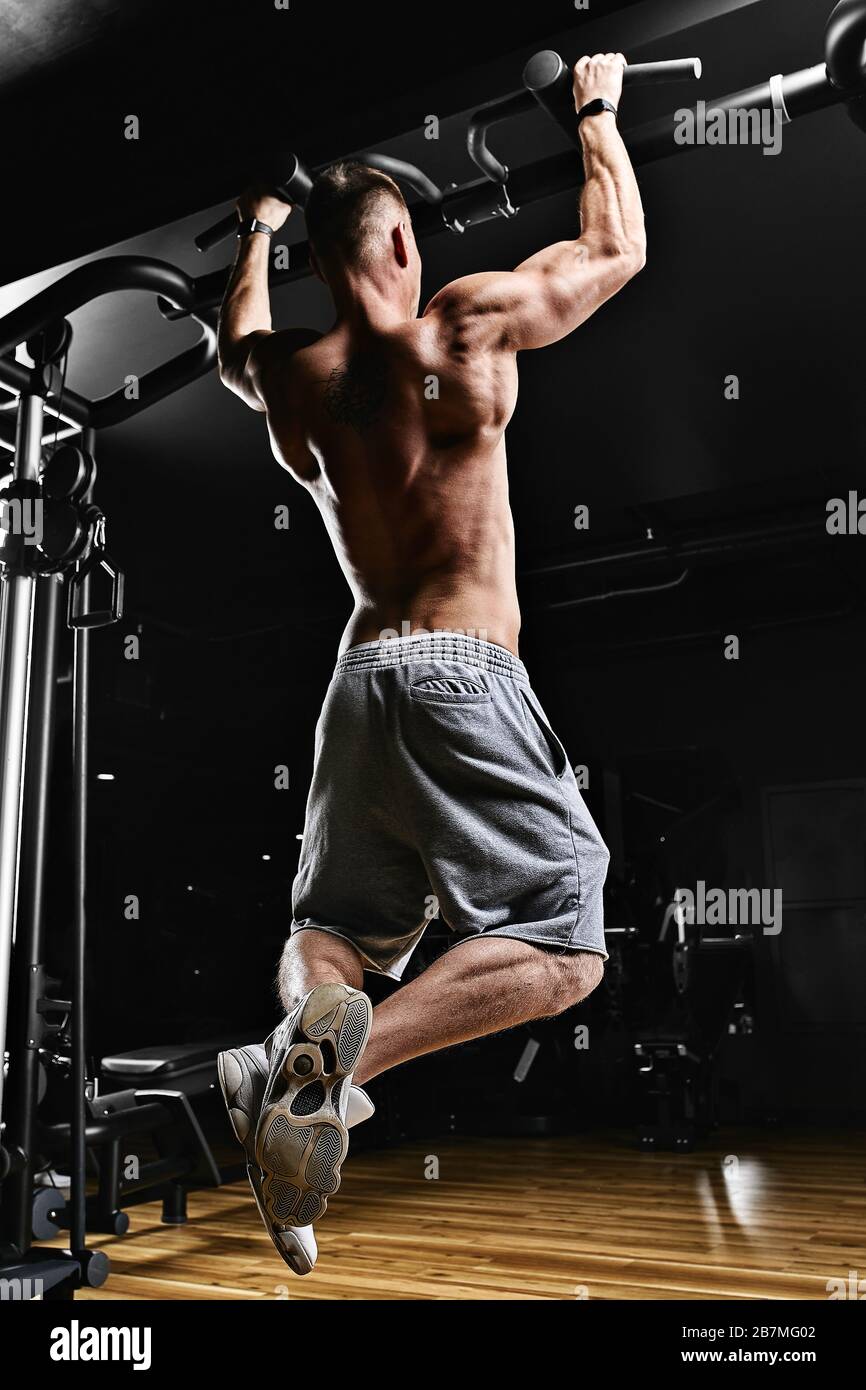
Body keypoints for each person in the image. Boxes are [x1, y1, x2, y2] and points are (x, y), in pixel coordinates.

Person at [216, 53, 645, 1274]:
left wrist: (255, 226)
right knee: (564, 944)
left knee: (335, 930)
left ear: (321, 261)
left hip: (356, 687)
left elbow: (233, 344)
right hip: (463, 667)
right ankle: (320, 1075)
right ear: (402, 244)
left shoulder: (294, 382)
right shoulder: (463, 322)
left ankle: (298, 1069)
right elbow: (611, 249)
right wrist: (595, 108)